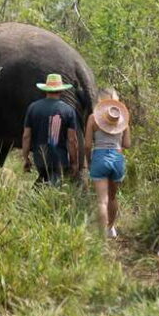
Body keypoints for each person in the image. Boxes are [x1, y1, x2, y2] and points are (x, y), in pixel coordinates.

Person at [85, 87, 131, 238]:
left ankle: (101, 235)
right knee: (112, 197)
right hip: (117, 158)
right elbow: (127, 144)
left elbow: (87, 145)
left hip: (99, 157)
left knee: (102, 200)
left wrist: (89, 161)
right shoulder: (123, 119)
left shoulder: (93, 118)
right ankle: (111, 228)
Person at [21, 73, 79, 186]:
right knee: (54, 189)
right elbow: (72, 140)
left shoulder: (33, 108)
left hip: (39, 158)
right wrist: (74, 162)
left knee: (44, 182)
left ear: (45, 90)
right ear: (61, 90)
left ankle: (34, 200)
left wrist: (26, 157)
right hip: (60, 159)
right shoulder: (68, 110)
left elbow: (26, 136)